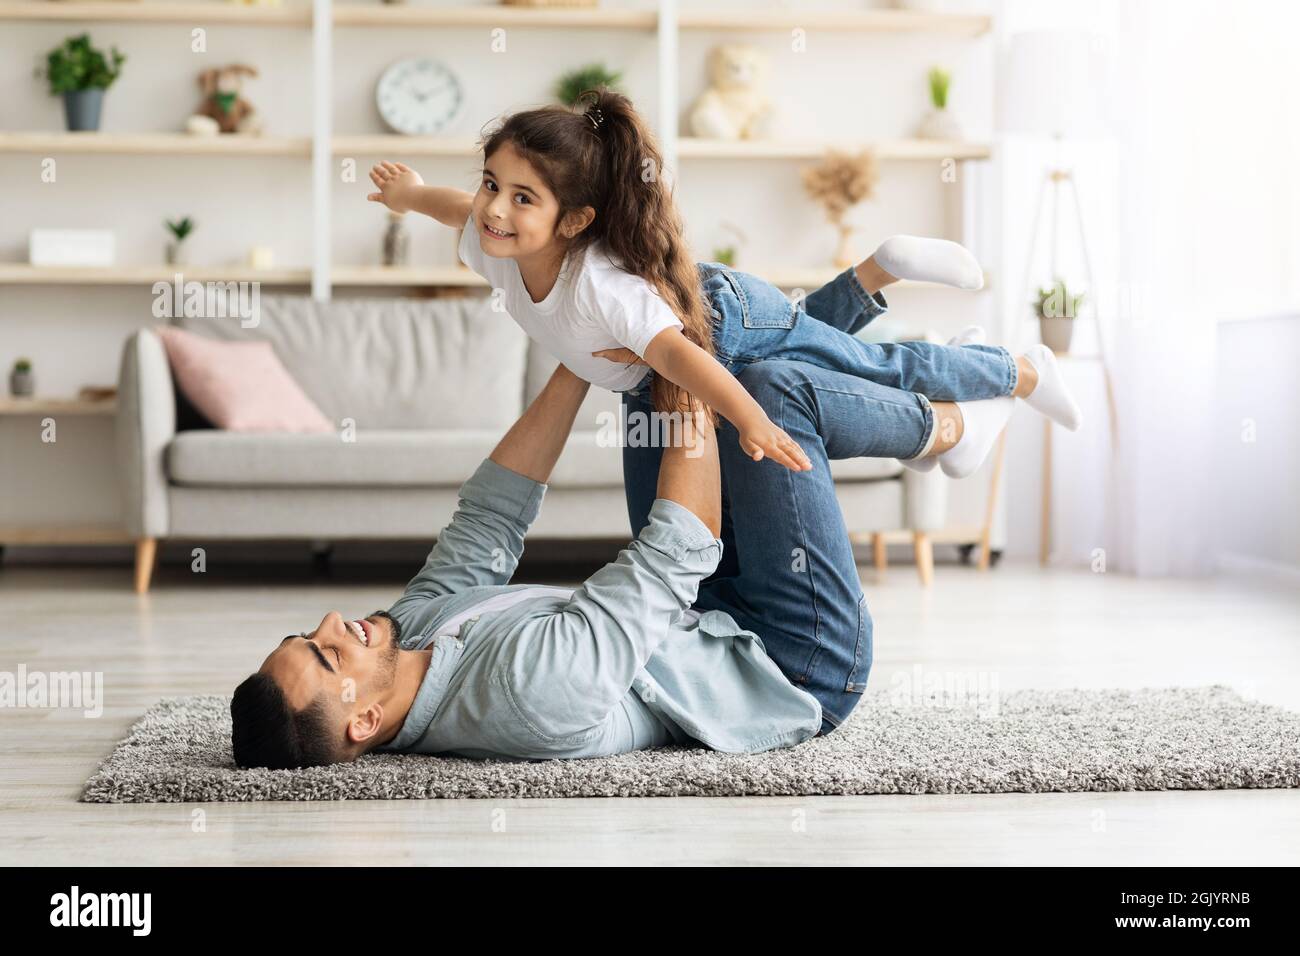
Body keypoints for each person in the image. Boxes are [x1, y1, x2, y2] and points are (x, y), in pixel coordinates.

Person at [230, 346, 1009, 767]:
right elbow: (675, 550)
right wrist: (692, 363)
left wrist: (579, 357)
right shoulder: (527, 695)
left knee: (639, 375)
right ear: (365, 720)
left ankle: (861, 292)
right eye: (328, 656)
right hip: (792, 659)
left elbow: (489, 517)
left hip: (705, 610)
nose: (335, 622)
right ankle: (945, 429)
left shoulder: (409, 631)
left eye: (309, 634)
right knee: (766, 391)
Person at [364, 87, 1081, 479]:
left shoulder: (602, 293)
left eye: (523, 197)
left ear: (576, 220)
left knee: (871, 364)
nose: (494, 207)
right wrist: (409, 193)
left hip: (724, 318)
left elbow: (681, 358)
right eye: (493, 182)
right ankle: (878, 267)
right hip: (703, 321)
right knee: (821, 345)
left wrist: (752, 419)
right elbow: (455, 208)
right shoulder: (491, 242)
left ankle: (1018, 369)